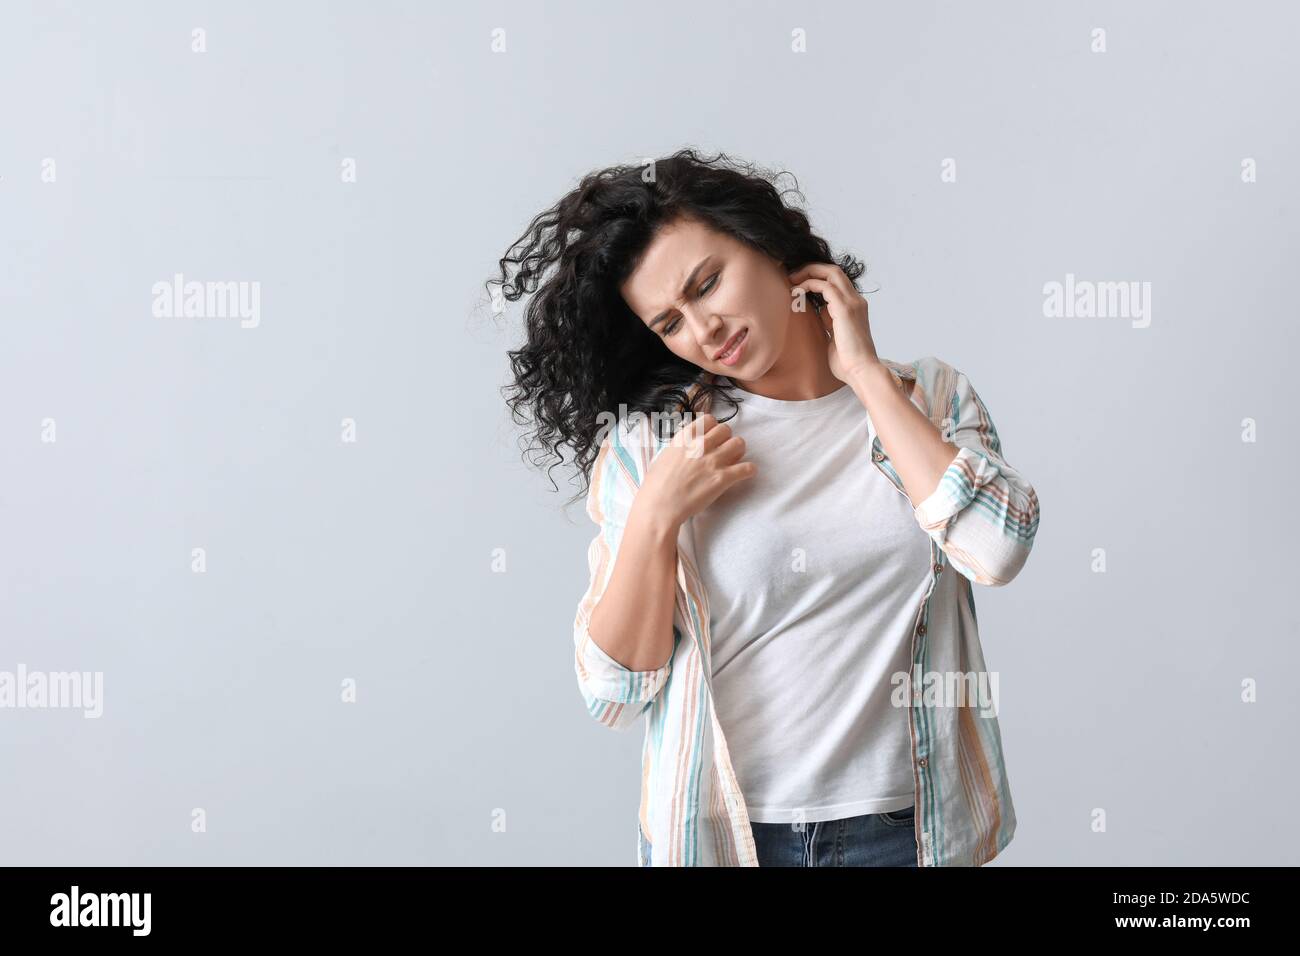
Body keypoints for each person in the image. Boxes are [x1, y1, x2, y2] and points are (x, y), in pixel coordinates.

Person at [490, 147, 1040, 866]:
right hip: (731, 840)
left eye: (707, 283)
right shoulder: (655, 445)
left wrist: (868, 378)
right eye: (670, 323)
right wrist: (657, 515)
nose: (704, 329)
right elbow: (616, 693)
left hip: (911, 834)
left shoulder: (930, 399)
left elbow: (997, 549)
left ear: (770, 246)